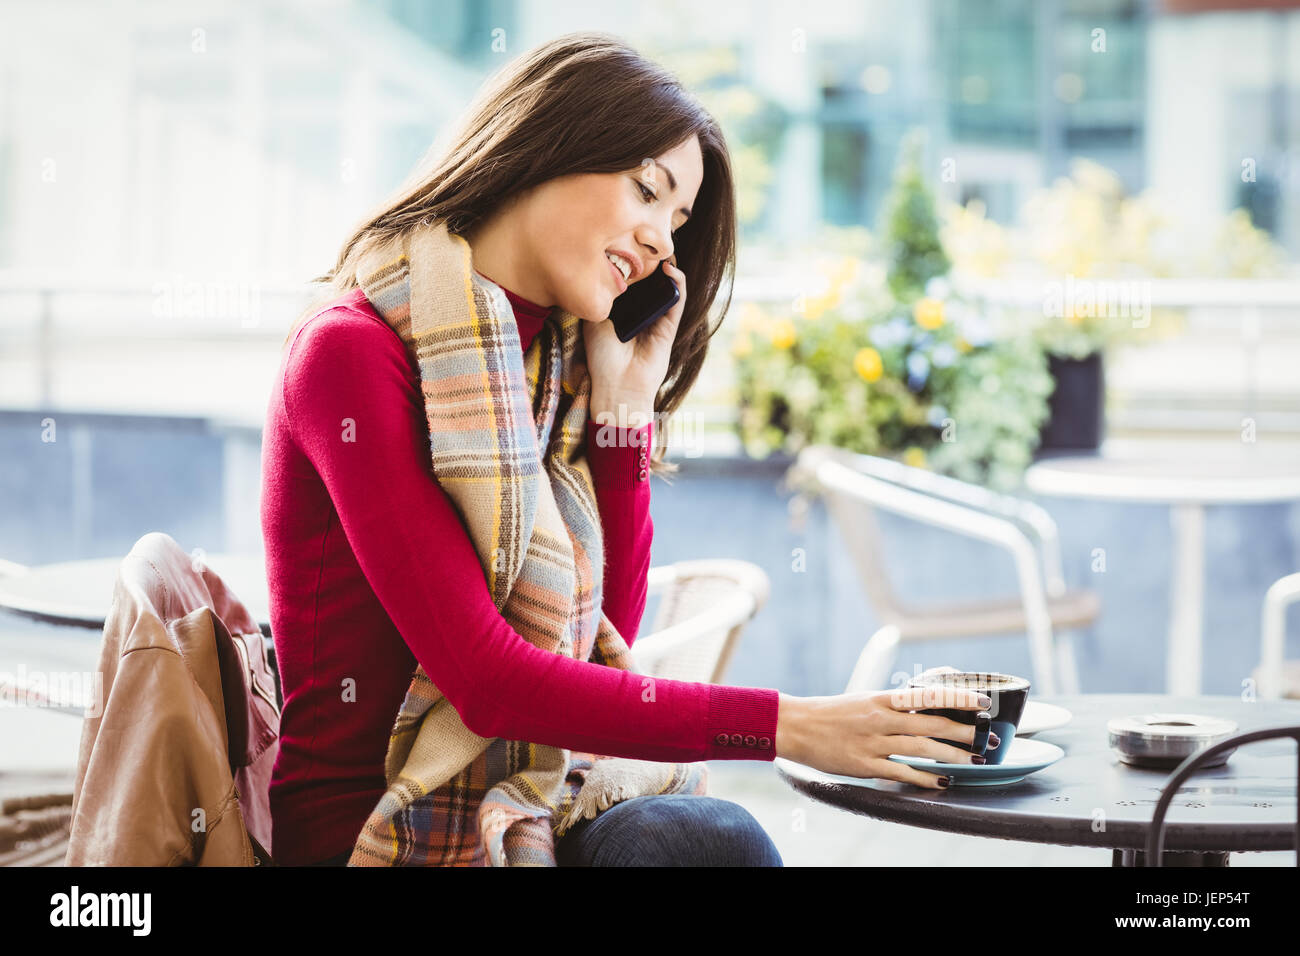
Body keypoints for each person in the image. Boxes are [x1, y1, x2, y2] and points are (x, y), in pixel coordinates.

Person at [261, 31, 995, 868]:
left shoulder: (551, 372)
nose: (662, 242)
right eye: (648, 191)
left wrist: (622, 416)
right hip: (371, 833)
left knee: (700, 840)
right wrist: (797, 726)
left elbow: (606, 635)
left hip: (524, 807)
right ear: (542, 146)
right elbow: (489, 683)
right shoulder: (351, 354)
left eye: (678, 221)